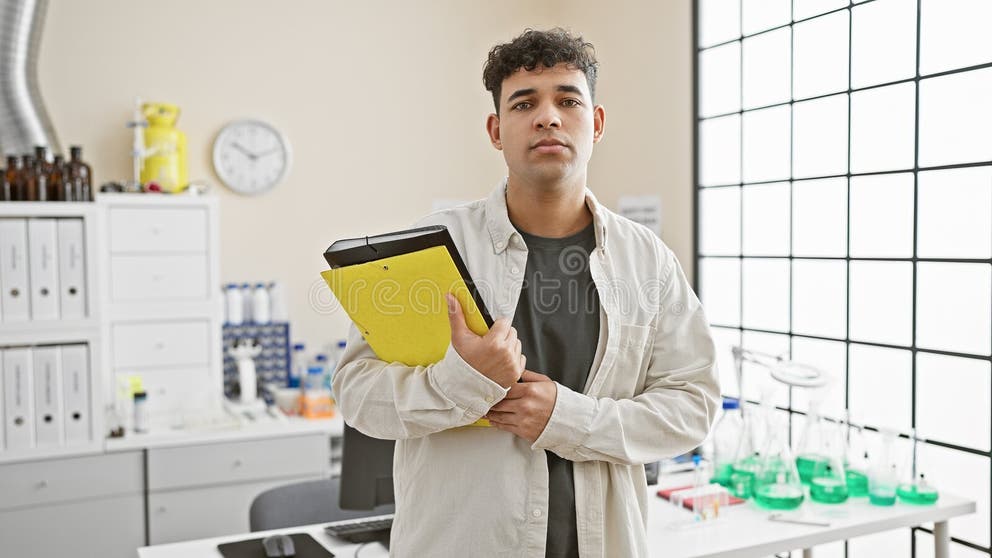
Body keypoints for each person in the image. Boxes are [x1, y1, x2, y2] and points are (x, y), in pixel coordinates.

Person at [333, 28, 720, 557]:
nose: (548, 117)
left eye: (568, 100)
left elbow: (694, 406)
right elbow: (357, 393)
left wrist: (568, 419)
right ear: (496, 130)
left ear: (596, 123)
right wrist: (461, 381)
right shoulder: (431, 248)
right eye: (524, 103)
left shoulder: (647, 259)